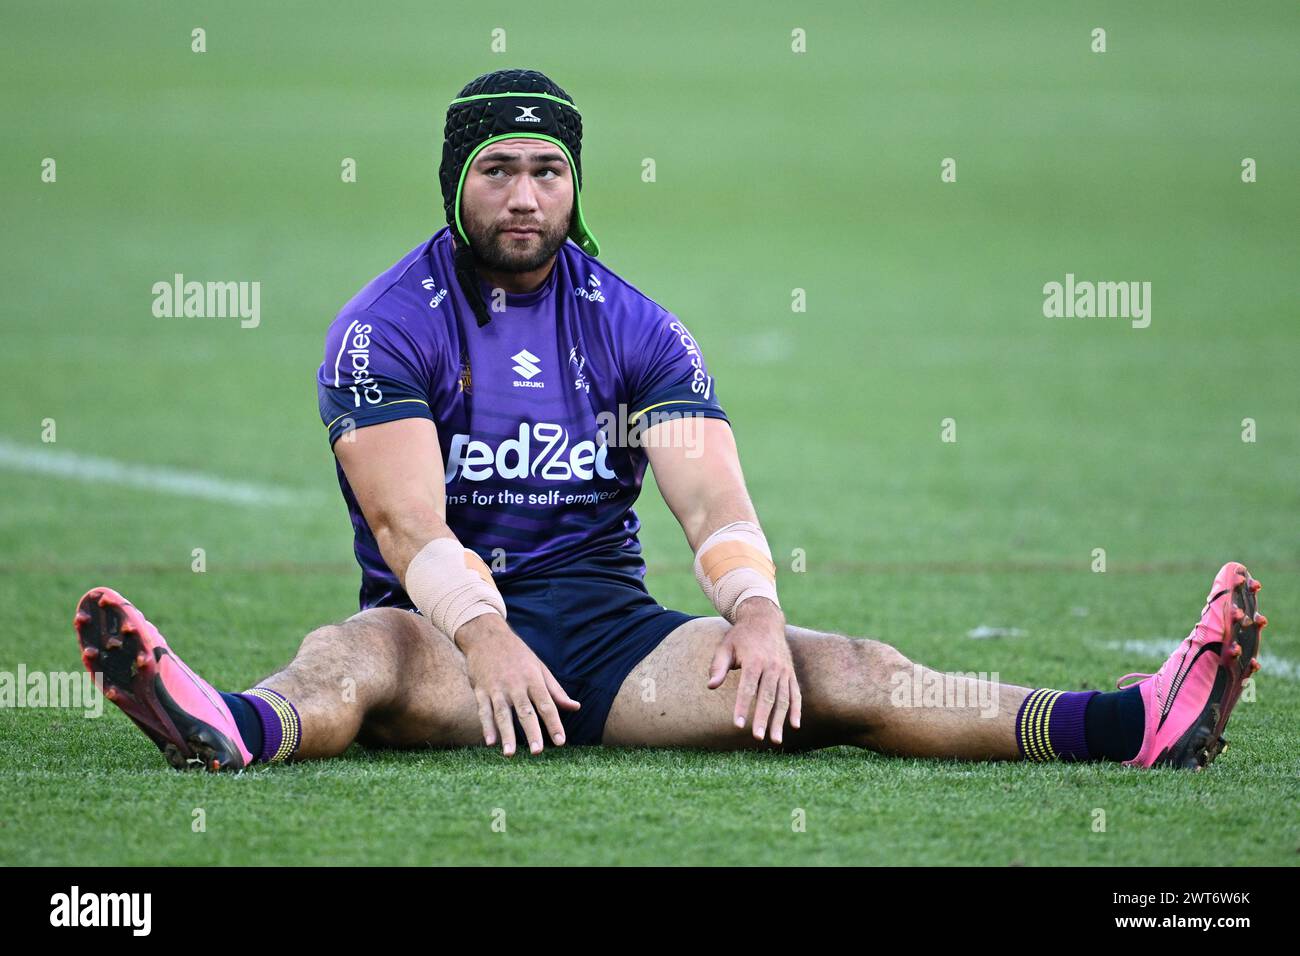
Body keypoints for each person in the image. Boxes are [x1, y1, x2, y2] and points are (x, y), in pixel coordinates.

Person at [74, 69, 1266, 773]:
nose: (526, 193)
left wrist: (752, 613)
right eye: (498, 170)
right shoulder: (386, 323)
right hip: (440, 645)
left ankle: (1130, 721)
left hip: (610, 644)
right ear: (456, 184)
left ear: (575, 181)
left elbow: (711, 497)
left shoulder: (636, 323)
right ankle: (224, 724)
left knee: (844, 669)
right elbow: (402, 522)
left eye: (548, 168)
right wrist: (484, 640)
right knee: (352, 654)